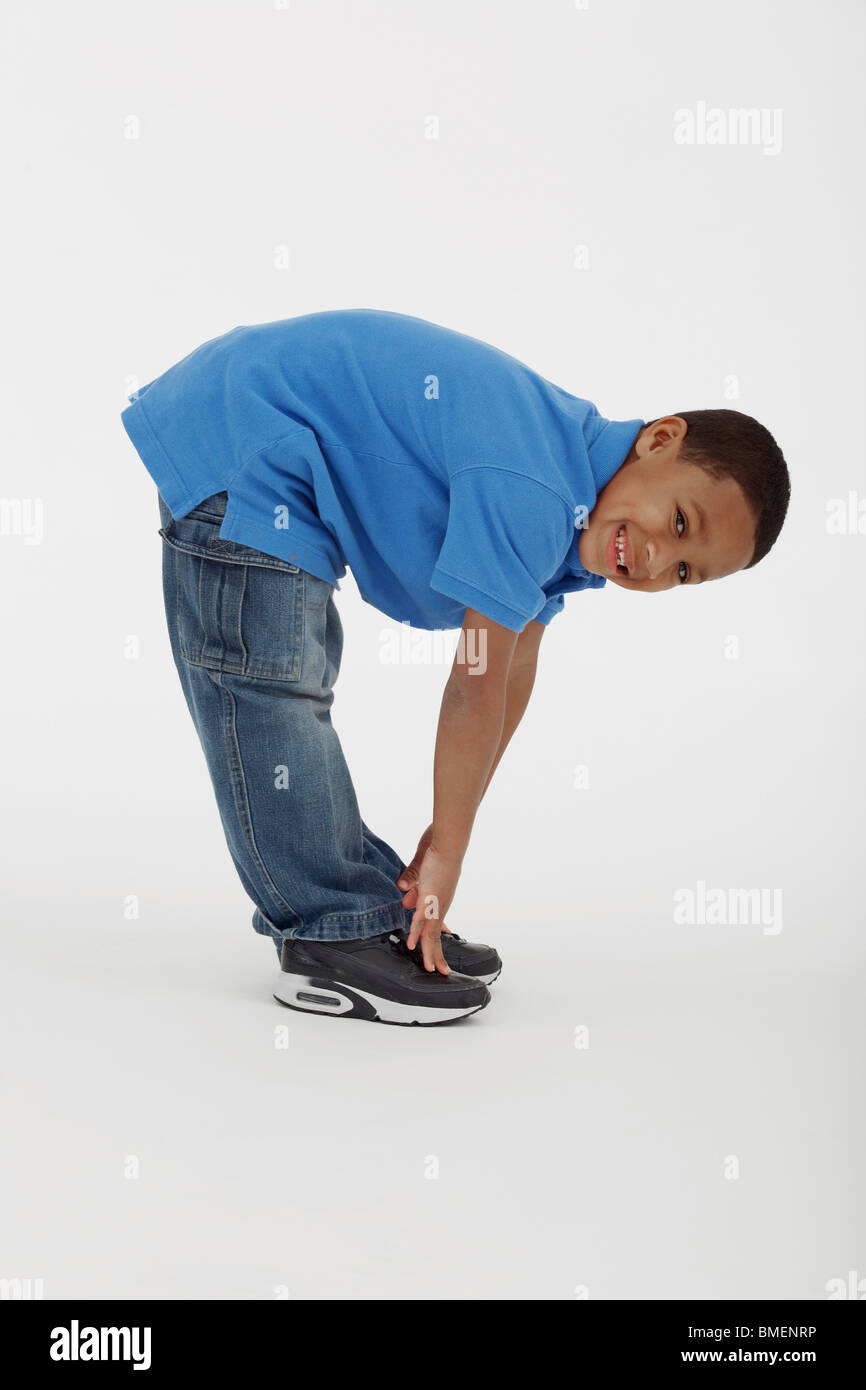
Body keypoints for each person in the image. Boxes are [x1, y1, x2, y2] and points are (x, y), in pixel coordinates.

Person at [121, 308, 790, 1026]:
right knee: (270, 684)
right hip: (241, 440)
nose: (658, 559)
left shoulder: (575, 507)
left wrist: (447, 833)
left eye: (685, 573)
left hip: (275, 454)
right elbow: (474, 682)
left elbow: (511, 674)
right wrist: (451, 853)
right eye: (680, 523)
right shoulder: (536, 485)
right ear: (661, 439)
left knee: (296, 674)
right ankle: (327, 933)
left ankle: (372, 909)